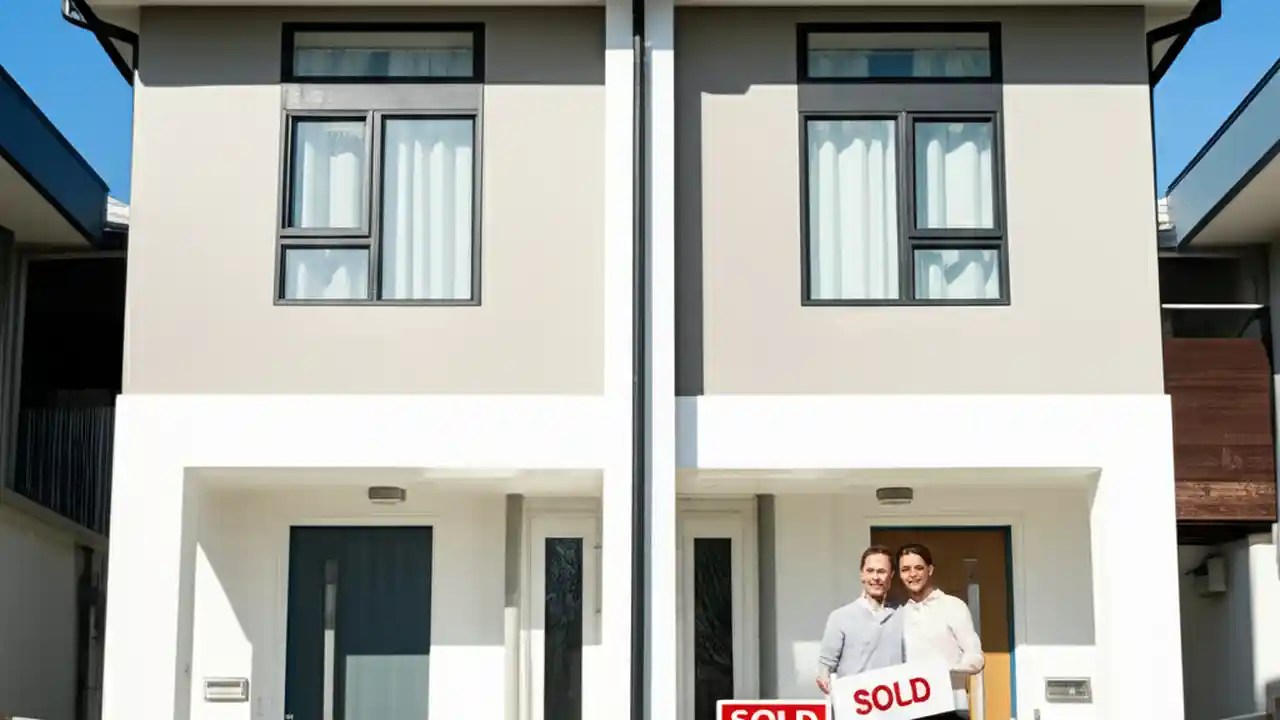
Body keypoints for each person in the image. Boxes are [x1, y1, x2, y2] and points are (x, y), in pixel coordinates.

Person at [896, 543, 984, 720]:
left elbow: (975, 657)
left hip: (951, 707)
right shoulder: (899, 614)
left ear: (930, 570)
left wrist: (941, 673)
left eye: (919, 568)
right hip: (911, 710)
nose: (912, 574)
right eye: (905, 569)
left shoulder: (954, 606)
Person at [816, 544, 905, 696]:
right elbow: (825, 665)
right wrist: (825, 681)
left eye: (882, 571)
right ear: (861, 574)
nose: (876, 577)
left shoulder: (903, 614)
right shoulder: (840, 617)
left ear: (891, 575)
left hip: (894, 708)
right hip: (856, 707)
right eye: (870, 571)